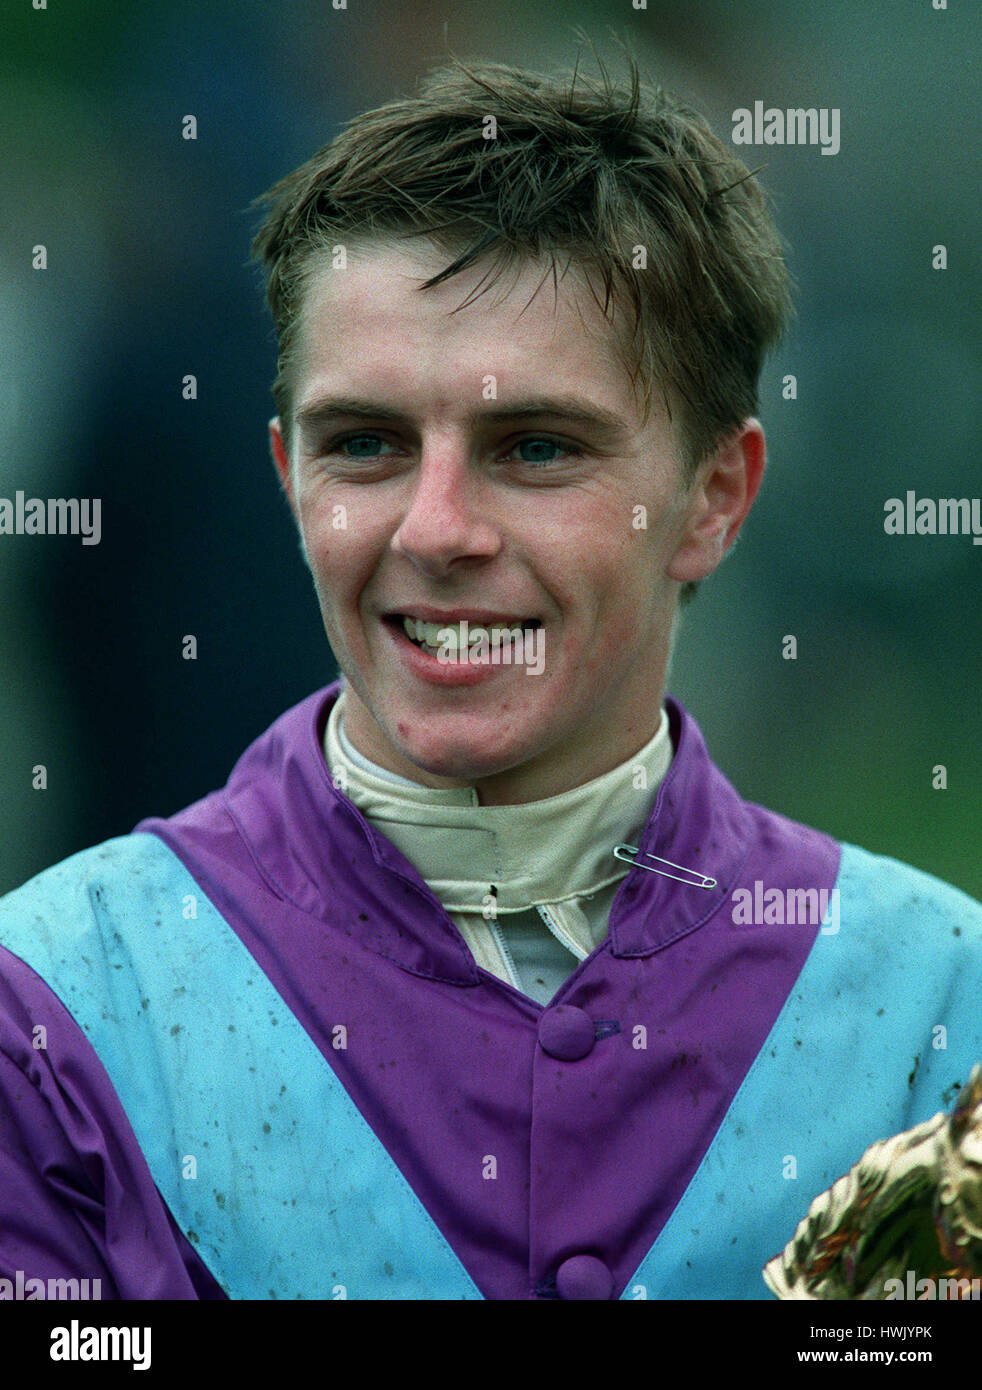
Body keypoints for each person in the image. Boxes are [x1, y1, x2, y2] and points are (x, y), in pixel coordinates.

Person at [1, 54, 979, 1303]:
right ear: (288, 477)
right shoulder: (54, 1009)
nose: (436, 529)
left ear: (714, 498)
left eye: (535, 447)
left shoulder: (939, 1010)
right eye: (365, 443)